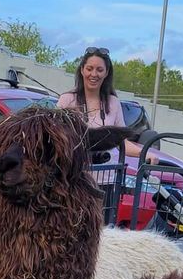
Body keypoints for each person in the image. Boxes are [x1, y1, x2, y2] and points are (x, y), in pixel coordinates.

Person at [57, 48, 153, 221]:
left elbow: (120, 141)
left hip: (106, 181)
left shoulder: (113, 102)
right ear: (82, 70)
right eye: (90, 68)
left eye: (100, 70)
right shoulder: (66, 100)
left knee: (103, 234)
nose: (94, 74)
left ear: (106, 73)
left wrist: (144, 153)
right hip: (74, 180)